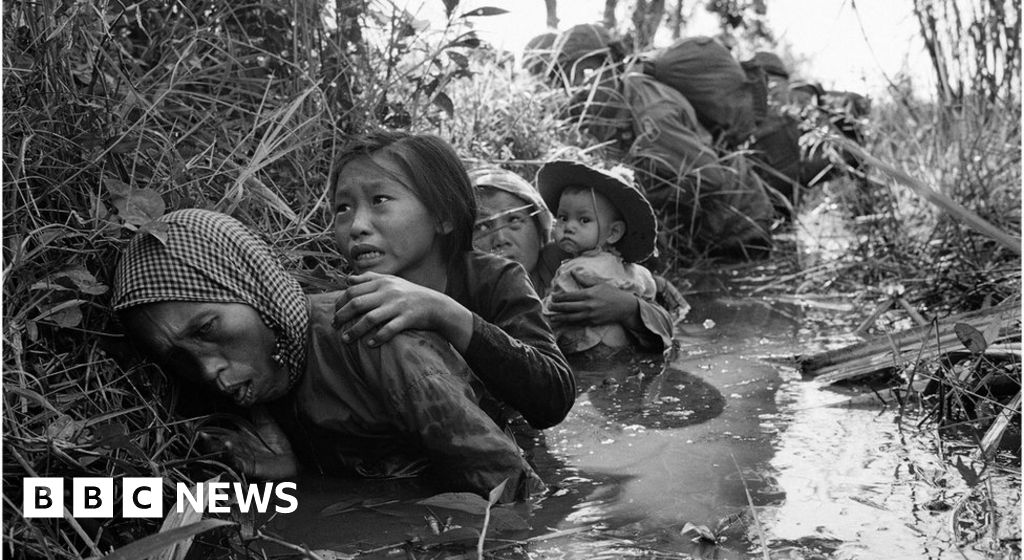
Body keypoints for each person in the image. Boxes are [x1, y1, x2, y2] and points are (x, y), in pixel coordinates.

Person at [112, 209, 541, 502]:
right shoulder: (245, 387)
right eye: (178, 357)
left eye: (207, 329)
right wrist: (292, 472)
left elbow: (515, 494)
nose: (207, 371)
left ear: (254, 289)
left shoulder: (376, 342)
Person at [327, 130, 575, 432]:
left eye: (379, 200)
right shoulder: (343, 303)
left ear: (443, 216)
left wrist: (446, 314)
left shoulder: (494, 279)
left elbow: (554, 397)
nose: (356, 226)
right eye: (343, 208)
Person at [470, 165, 683, 353]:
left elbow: (666, 325)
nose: (499, 239)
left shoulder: (577, 266)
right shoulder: (467, 294)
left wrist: (628, 308)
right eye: (482, 226)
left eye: (514, 220)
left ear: (540, 229)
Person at [536, 160, 659, 353]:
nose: (569, 227)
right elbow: (650, 291)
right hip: (621, 350)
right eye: (563, 218)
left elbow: (551, 314)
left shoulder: (573, 269)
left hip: (584, 350)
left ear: (614, 233)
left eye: (584, 220)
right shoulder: (637, 273)